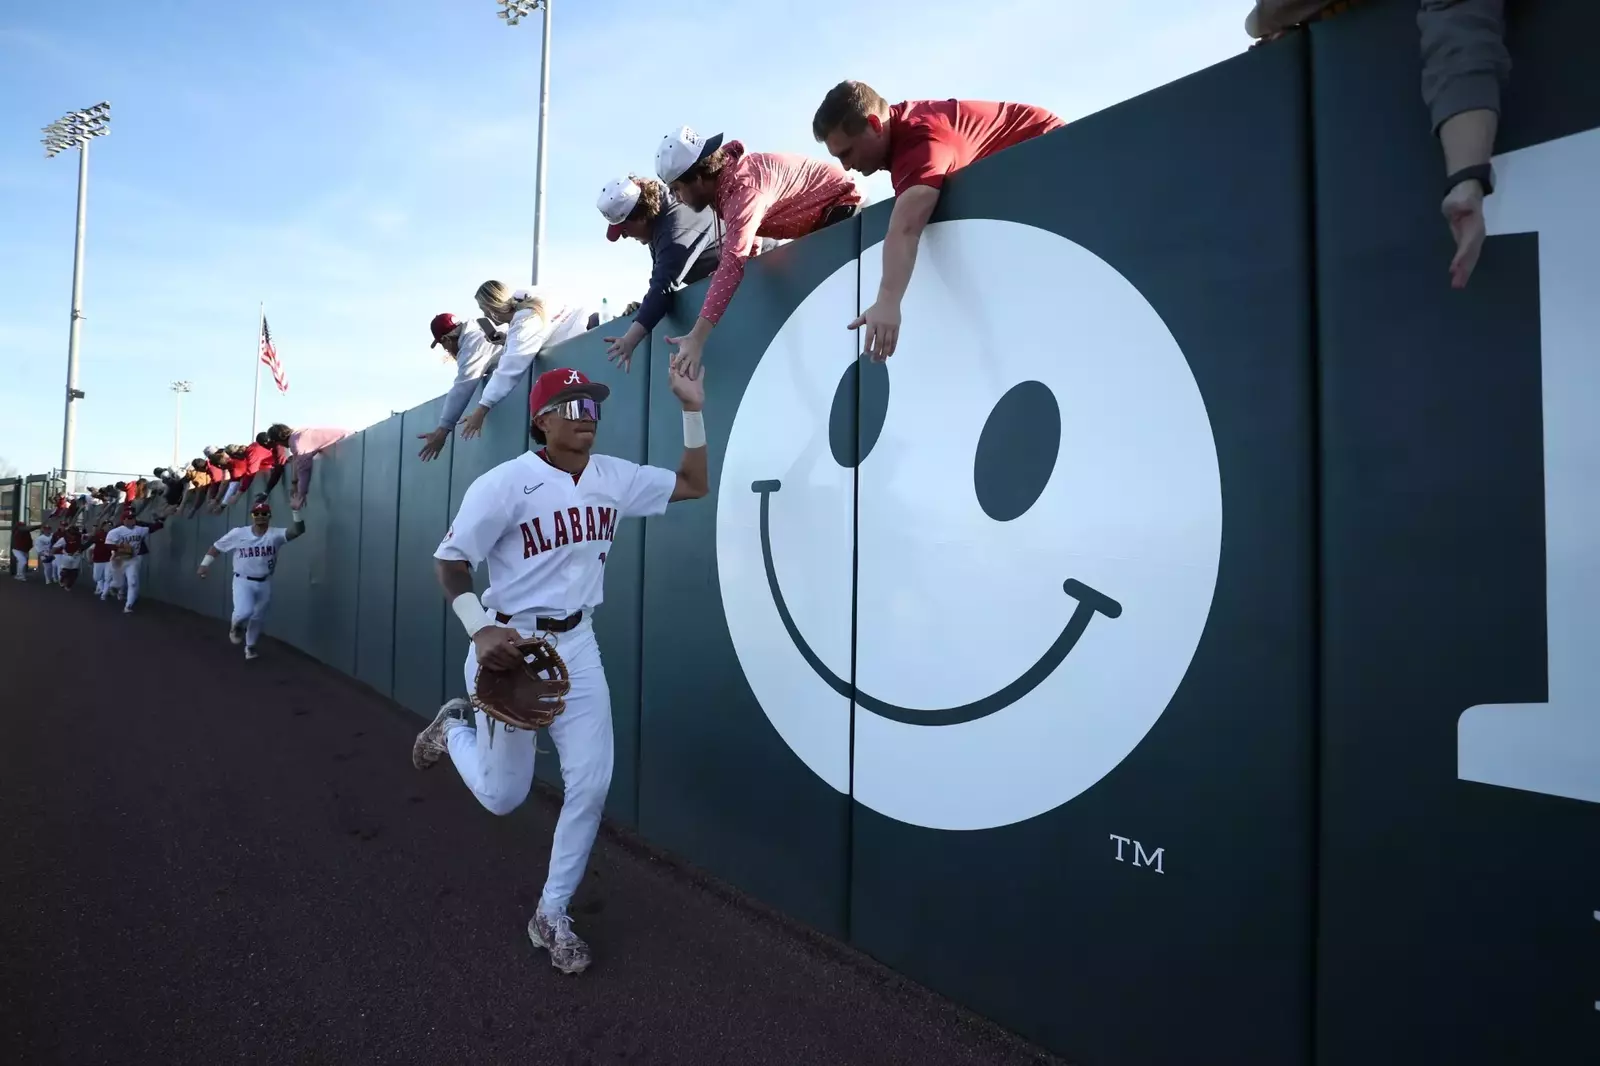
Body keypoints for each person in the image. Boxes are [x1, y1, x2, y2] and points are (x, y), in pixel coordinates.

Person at [412, 362, 710, 975]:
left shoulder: (613, 478)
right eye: (572, 409)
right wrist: (479, 626)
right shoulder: (504, 484)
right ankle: (451, 730)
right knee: (503, 796)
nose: (586, 420)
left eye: (593, 408)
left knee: (592, 783)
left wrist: (691, 408)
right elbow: (450, 563)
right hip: (509, 647)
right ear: (541, 420)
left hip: (577, 644)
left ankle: (551, 913)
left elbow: (692, 484)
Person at [811, 81, 1064, 360]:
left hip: (1051, 153)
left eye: (847, 152)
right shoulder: (902, 134)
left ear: (874, 124)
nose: (846, 166)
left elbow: (906, 229)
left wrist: (887, 301)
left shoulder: (922, 143)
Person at [653, 126, 862, 379]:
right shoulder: (728, 182)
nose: (675, 198)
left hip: (842, 210)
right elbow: (748, 248)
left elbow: (733, 262)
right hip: (824, 222)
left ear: (697, 178)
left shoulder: (743, 189)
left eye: (676, 188)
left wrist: (697, 338)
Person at [595, 175, 722, 372]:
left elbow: (663, 287)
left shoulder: (676, 224)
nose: (625, 235)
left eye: (624, 228)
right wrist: (644, 308)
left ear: (641, 215)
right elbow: (661, 283)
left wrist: (630, 339)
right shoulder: (659, 218)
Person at [458, 281, 595, 441]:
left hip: (580, 346)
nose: (484, 316)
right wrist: (508, 339)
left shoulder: (526, 323)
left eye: (483, 310)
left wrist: (481, 409)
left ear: (491, 311)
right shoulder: (528, 298)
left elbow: (509, 369)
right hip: (587, 330)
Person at [197, 495, 307, 661]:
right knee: (244, 611)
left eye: (264, 513)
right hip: (243, 580)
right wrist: (205, 564)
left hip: (265, 582)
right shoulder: (239, 533)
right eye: (257, 513)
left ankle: (250, 647)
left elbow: (297, 531)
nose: (261, 517)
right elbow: (217, 547)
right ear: (252, 516)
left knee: (257, 617)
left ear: (269, 516)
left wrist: (295, 511)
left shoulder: (274, 534)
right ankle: (235, 626)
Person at [417, 312, 506, 462]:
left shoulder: (473, 345)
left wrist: (442, 431)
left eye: (443, 345)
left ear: (445, 339)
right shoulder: (479, 327)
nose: (446, 350)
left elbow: (462, 388)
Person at [261, 423, 353, 510]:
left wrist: (301, 496)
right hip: (347, 438)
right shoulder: (296, 434)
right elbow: (296, 461)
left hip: (349, 442)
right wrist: (294, 484)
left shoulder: (299, 445)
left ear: (278, 440)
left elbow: (304, 471)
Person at [105, 508, 154, 613]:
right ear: (124, 520)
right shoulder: (116, 531)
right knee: (119, 583)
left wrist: (161, 520)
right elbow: (108, 545)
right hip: (119, 559)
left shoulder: (139, 529)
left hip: (133, 559)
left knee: (133, 582)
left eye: (133, 518)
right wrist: (122, 549)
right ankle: (114, 587)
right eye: (129, 518)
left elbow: (153, 528)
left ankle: (128, 606)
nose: (132, 520)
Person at [51, 526, 85, 591]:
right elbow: (55, 547)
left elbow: (91, 535)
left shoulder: (80, 537)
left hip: (76, 556)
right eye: (72, 534)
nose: (73, 536)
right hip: (67, 556)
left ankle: (69, 586)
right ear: (68, 533)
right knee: (66, 571)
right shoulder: (63, 539)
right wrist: (52, 555)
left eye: (75, 534)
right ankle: (62, 580)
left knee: (74, 572)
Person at [89, 519, 115, 598]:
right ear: (103, 526)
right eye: (107, 526)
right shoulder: (98, 534)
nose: (109, 527)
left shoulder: (113, 535)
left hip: (108, 559)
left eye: (110, 526)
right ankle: (101, 588)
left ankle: (104, 594)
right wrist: (90, 558)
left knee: (108, 577)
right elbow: (91, 547)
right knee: (97, 578)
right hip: (98, 560)